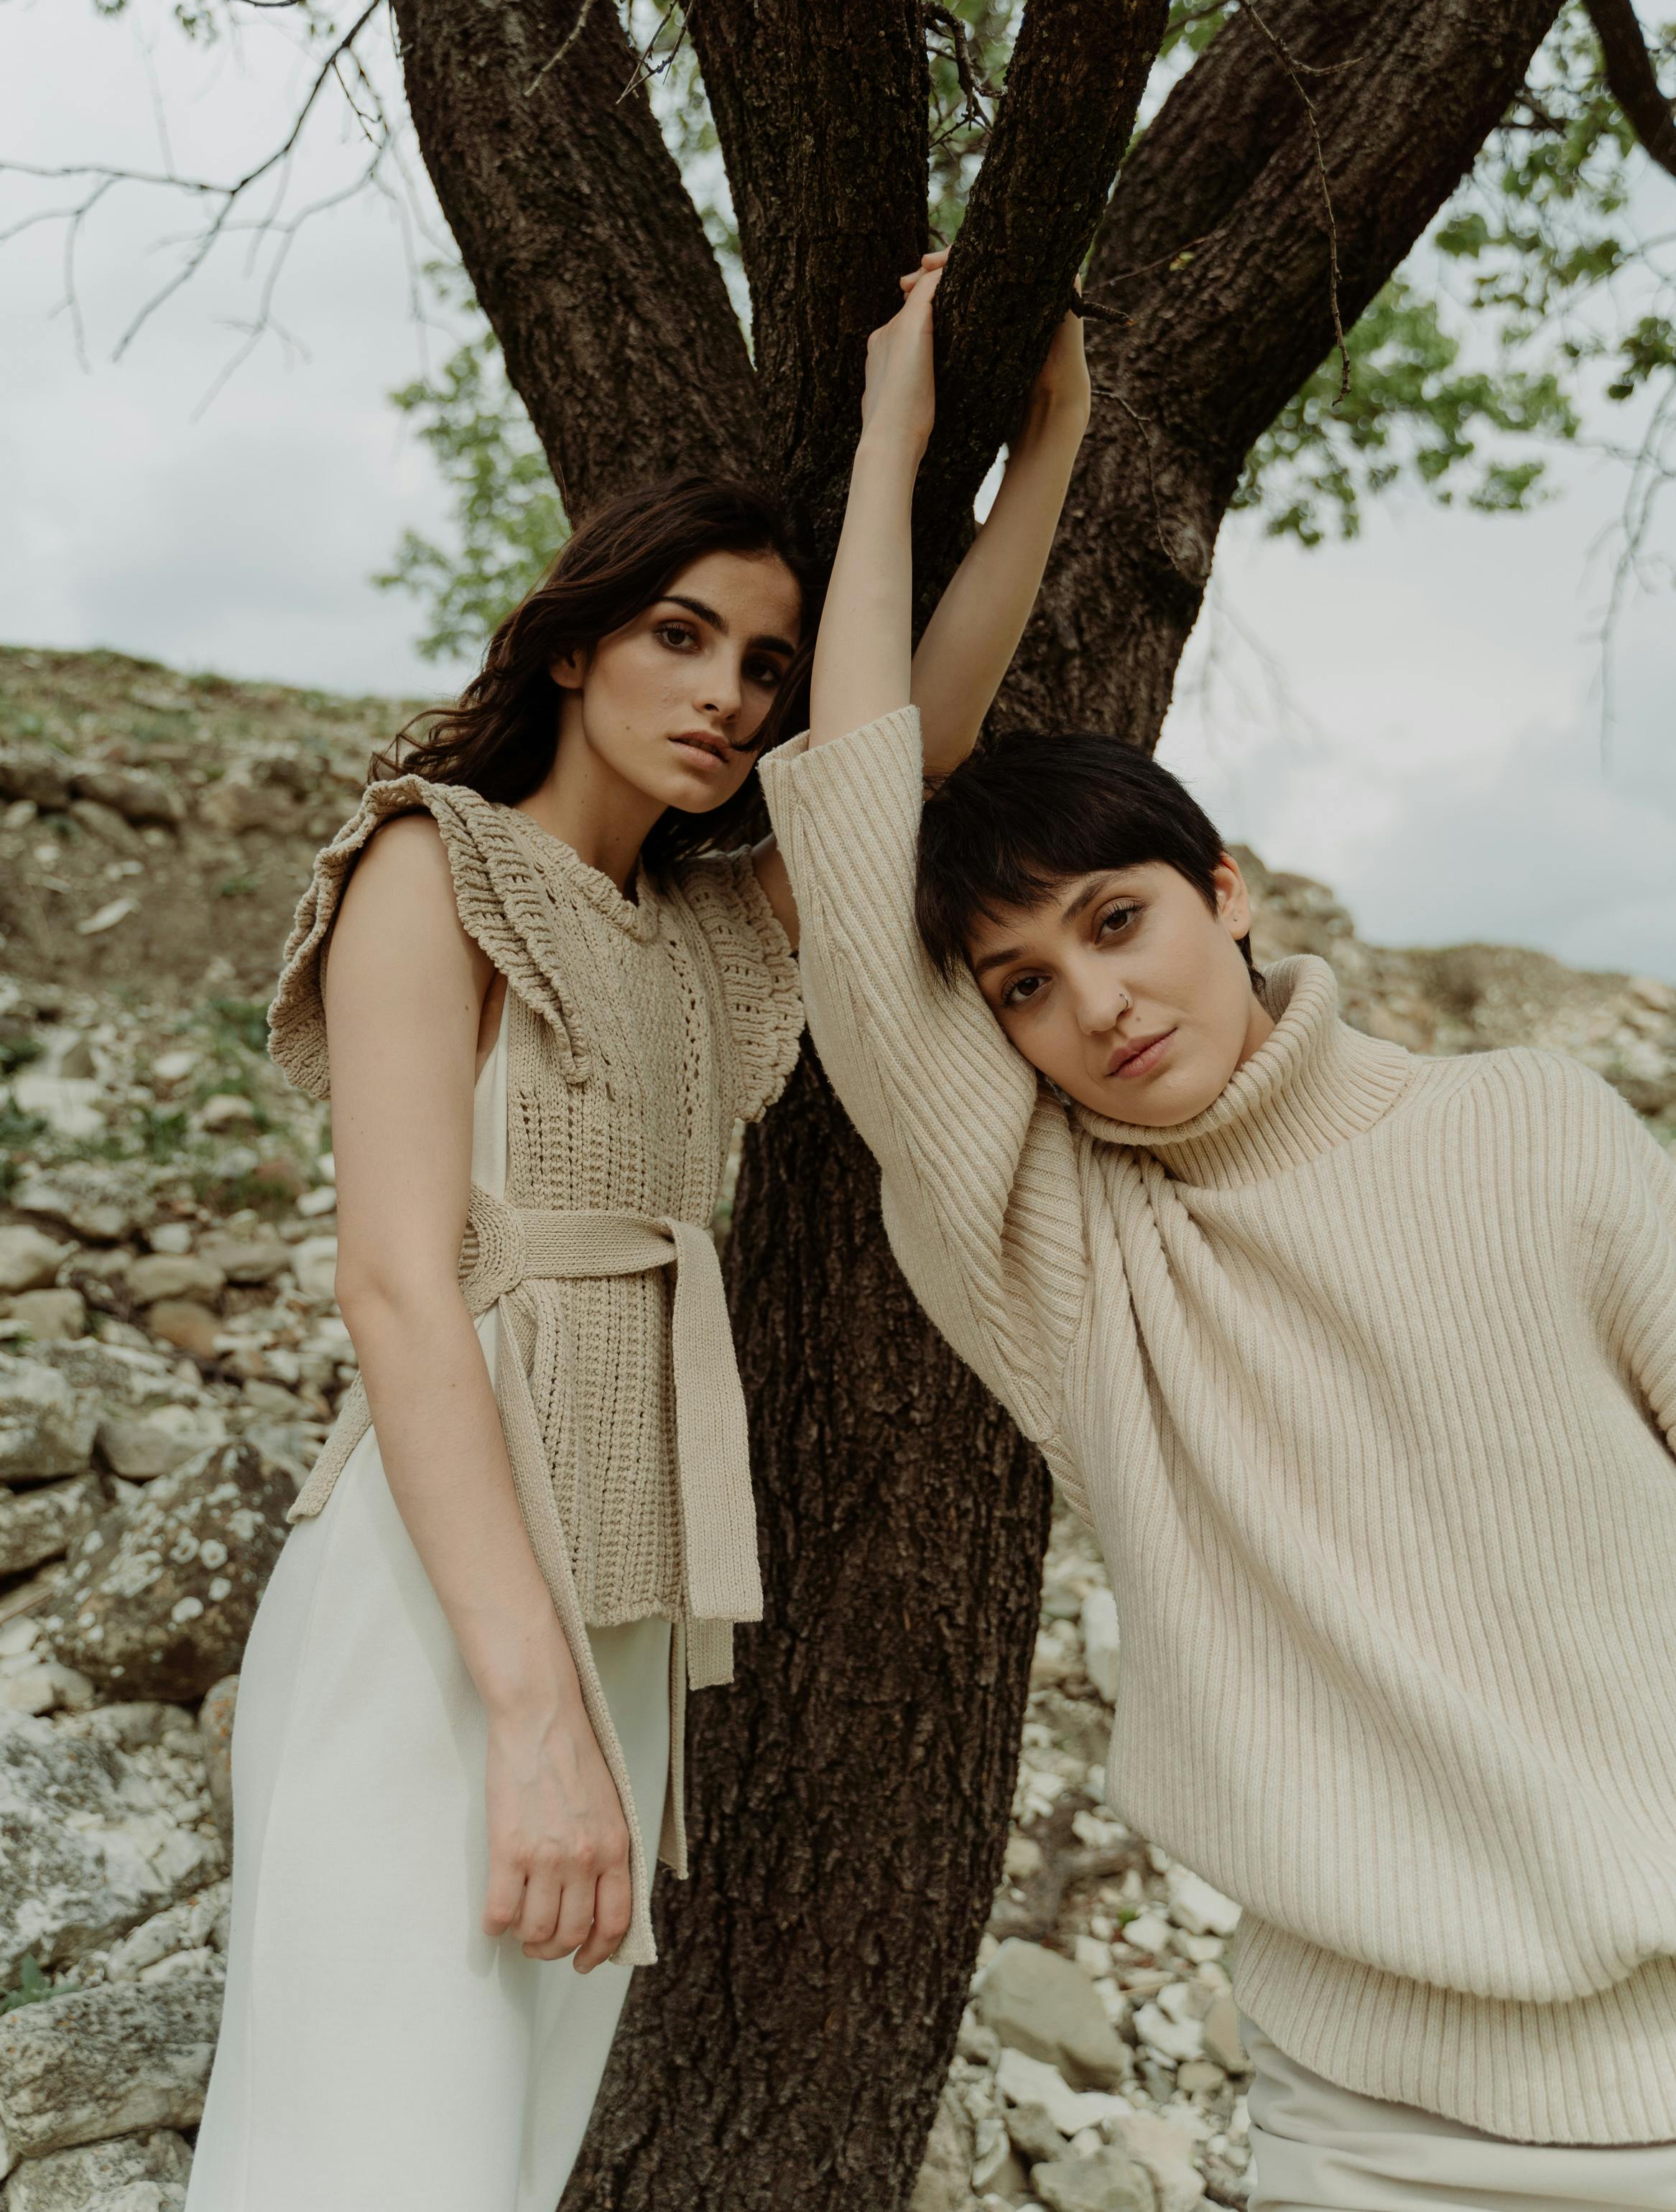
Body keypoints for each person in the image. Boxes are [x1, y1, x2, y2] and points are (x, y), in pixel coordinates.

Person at [759, 256, 1676, 2209]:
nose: (1087, 1001)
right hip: (1374, 2128)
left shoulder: (1543, 1134)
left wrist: (1077, 430)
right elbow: (848, 856)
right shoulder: (1068, 1258)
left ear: (1224, 888)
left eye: (1115, 920)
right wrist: (912, 441)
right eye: (1014, 985)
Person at [187, 340, 1086, 2208]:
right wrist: (531, 1721)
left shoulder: (699, 930)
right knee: (367, 2158)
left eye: (761, 664)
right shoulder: (429, 871)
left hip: (609, 1607)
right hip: (438, 1616)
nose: (733, 695)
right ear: (577, 639)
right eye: (684, 635)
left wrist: (1011, 446)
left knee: (492, 2169)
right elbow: (399, 1292)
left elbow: (898, 753)